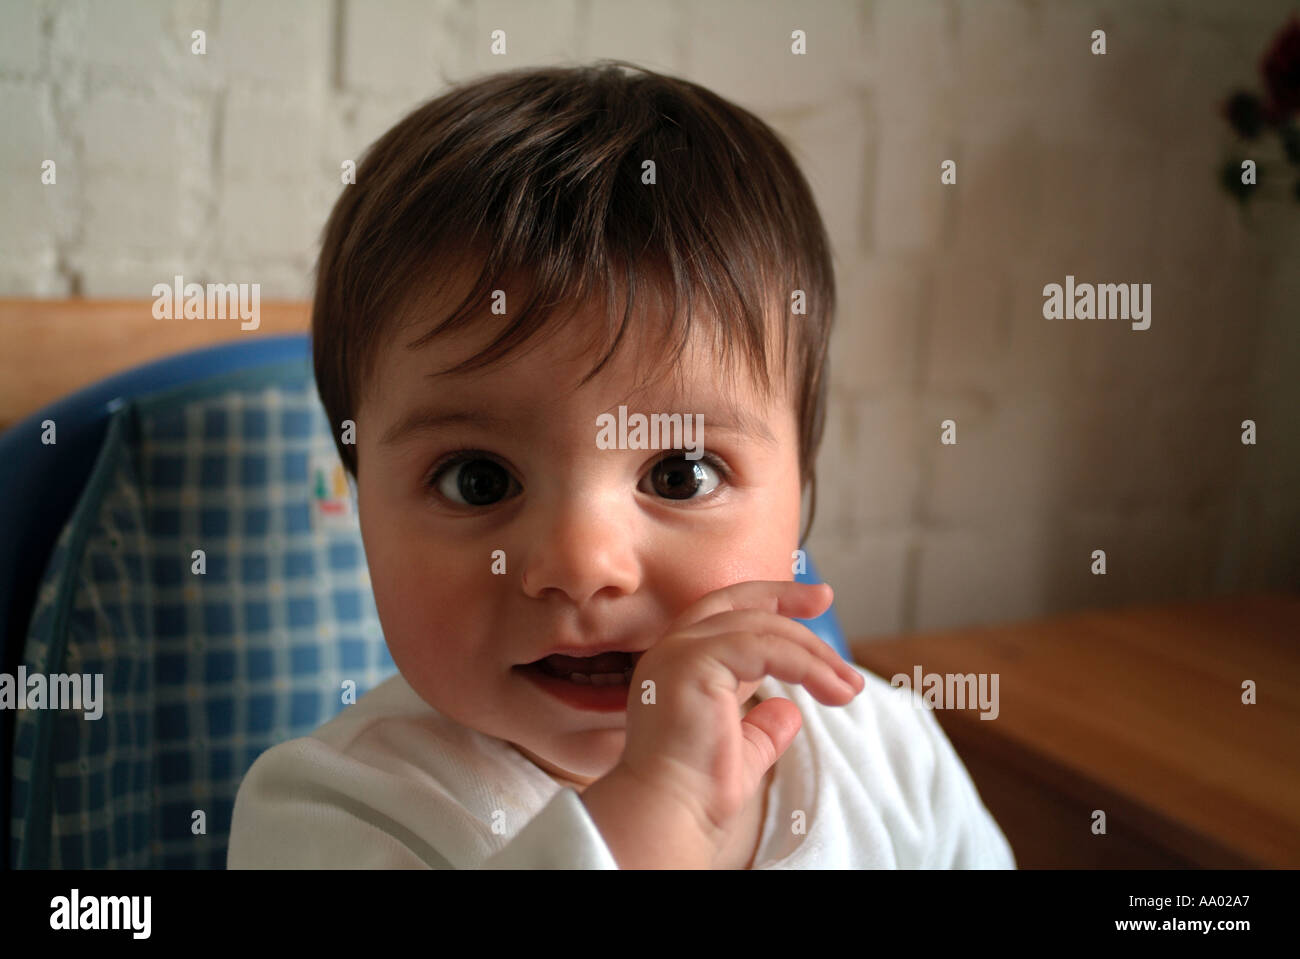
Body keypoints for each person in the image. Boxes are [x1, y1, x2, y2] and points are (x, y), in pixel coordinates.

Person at [227, 60, 1015, 869]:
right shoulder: (329, 813)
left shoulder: (887, 753)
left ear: (803, 488)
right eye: (479, 480)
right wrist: (656, 806)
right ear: (362, 506)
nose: (579, 565)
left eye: (680, 474)